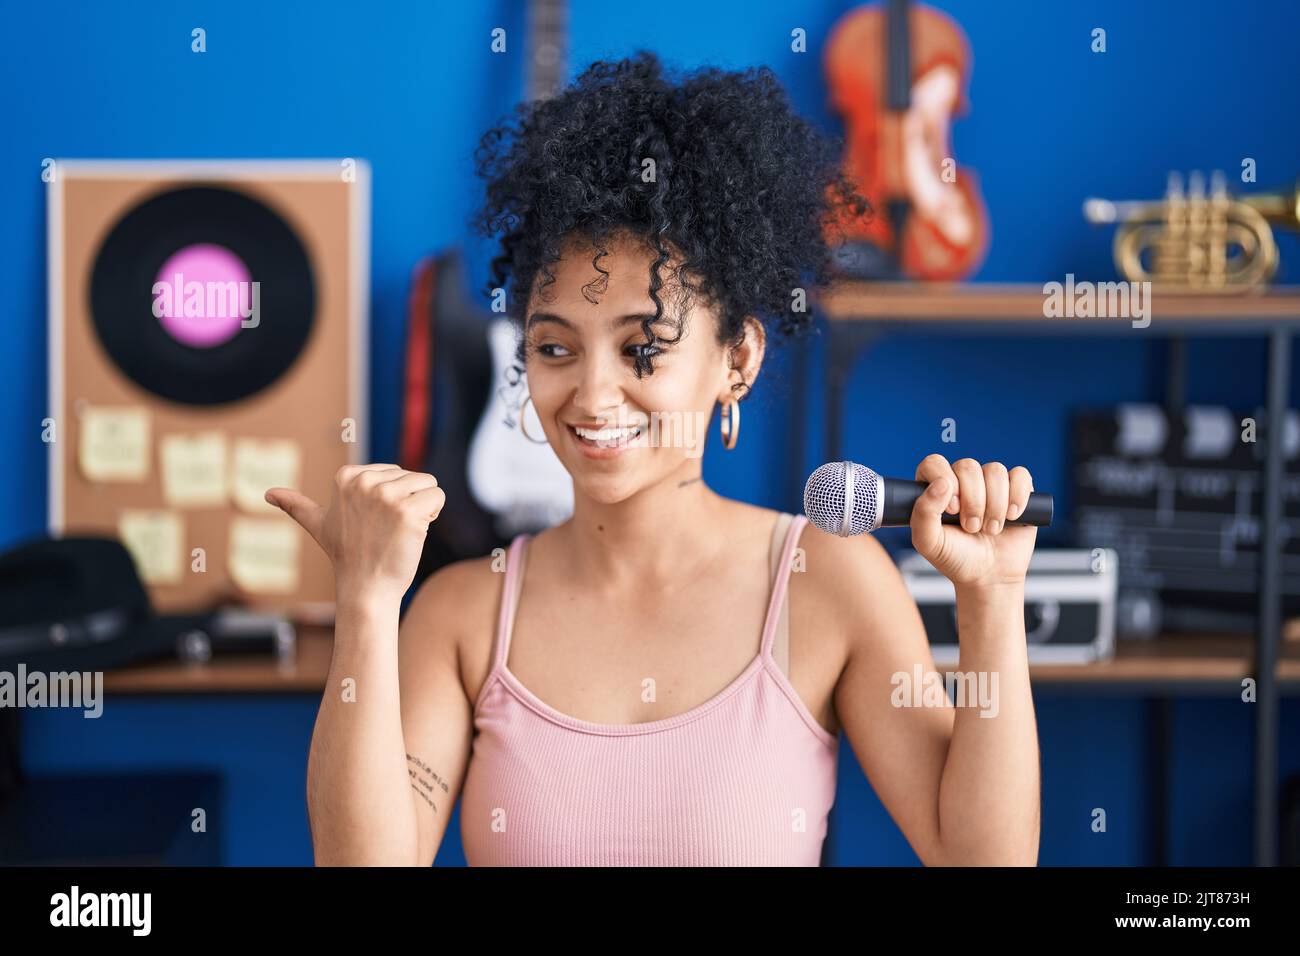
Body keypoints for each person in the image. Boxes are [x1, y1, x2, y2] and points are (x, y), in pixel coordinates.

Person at [267, 51, 1040, 867]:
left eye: (643, 348)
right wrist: (363, 602)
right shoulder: (461, 616)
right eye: (556, 346)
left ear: (737, 359)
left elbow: (980, 858)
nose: (594, 395)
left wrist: (991, 600)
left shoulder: (831, 582)